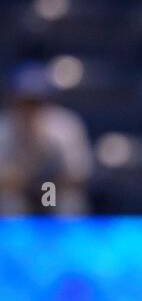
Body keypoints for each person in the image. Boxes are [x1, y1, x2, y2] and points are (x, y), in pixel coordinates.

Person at [0, 70, 93, 216]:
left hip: (53, 189)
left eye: (36, 102)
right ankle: (12, 239)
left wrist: (46, 183)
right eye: (25, 102)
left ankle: (63, 238)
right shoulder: (4, 127)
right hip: (18, 191)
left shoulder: (65, 124)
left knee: (68, 202)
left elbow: (79, 175)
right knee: (10, 202)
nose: (30, 109)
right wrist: (26, 180)